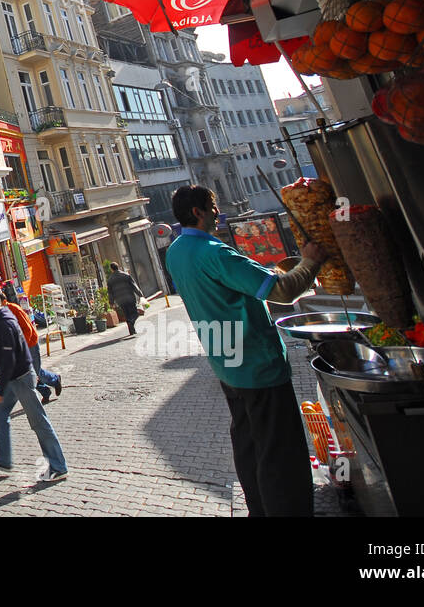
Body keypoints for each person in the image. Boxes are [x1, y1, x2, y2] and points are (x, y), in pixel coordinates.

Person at [164, 185, 328, 517]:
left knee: (250, 445)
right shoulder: (215, 252)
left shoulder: (176, 250)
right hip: (258, 365)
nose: (217, 210)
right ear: (198, 211)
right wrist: (310, 263)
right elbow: (280, 291)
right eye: (213, 204)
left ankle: (260, 509)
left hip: (228, 365)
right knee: (279, 451)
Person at [0, 288, 68, 481]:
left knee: (38, 421)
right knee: (0, 413)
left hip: (20, 376)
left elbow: (10, 357)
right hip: (13, 377)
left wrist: (0, 389)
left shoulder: (4, 321)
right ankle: (4, 458)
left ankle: (58, 466)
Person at [2, 284, 61, 404]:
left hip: (30, 344)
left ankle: (53, 381)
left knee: (33, 372)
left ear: (3, 301)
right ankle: (47, 388)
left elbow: (27, 329)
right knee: (29, 373)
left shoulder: (14, 309)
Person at [106, 262, 145, 335]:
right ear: (118, 267)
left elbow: (110, 292)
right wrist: (140, 294)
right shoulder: (126, 275)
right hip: (130, 297)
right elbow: (134, 285)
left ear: (111, 269)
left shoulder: (110, 280)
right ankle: (132, 322)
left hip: (120, 300)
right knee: (135, 313)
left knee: (127, 314)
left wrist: (111, 302)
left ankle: (132, 330)